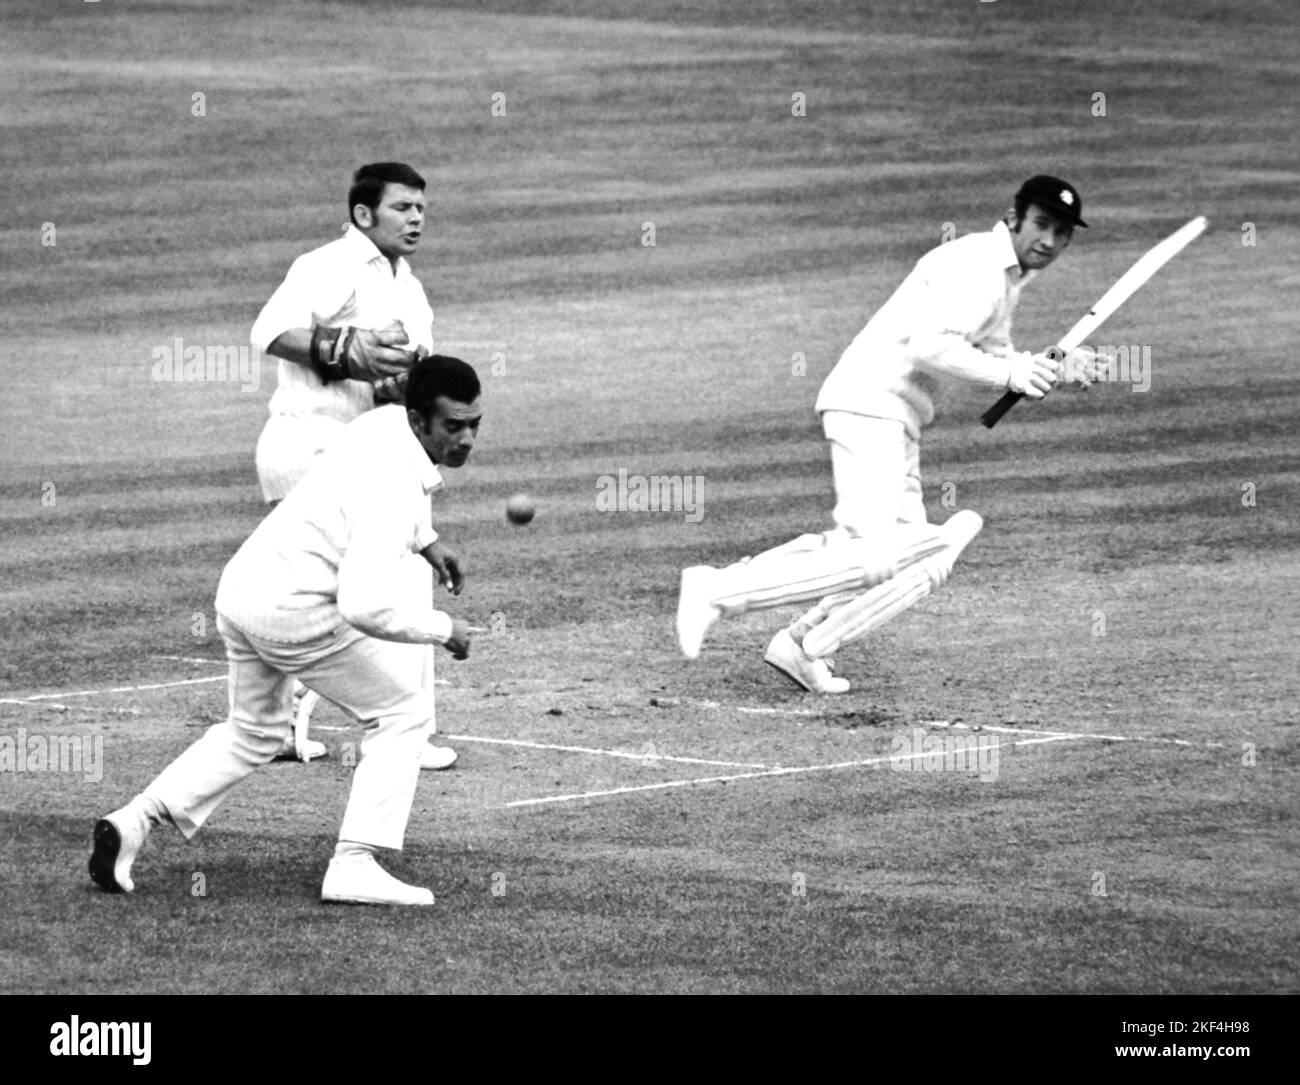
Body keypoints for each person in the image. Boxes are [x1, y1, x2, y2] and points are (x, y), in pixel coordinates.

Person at [676, 176, 1097, 692]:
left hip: (897, 417)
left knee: (915, 561)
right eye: (1041, 224)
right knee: (874, 555)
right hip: (869, 402)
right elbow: (930, 347)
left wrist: (1051, 367)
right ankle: (717, 589)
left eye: (1061, 233)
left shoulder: (1006, 280)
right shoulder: (979, 266)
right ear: (1014, 219)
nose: (1049, 241)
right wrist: (1014, 375)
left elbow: (993, 354)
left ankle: (803, 644)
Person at [90, 355, 482, 906]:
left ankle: (133, 822)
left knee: (252, 733)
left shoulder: (382, 423)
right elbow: (364, 603)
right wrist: (442, 628)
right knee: (402, 713)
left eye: (474, 425)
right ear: (419, 421)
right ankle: (354, 863)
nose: (465, 439)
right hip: (295, 612)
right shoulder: (393, 483)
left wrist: (427, 542)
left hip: (243, 591)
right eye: (453, 427)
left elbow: (382, 498)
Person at [250, 161, 455, 769]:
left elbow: (402, 378)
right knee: (381, 584)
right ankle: (403, 733)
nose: (415, 218)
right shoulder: (328, 265)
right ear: (364, 214)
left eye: (420, 208)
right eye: (402, 208)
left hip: (361, 454)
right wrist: (340, 349)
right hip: (311, 446)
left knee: (311, 594)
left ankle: (277, 727)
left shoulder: (409, 288)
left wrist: (401, 383)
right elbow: (268, 330)